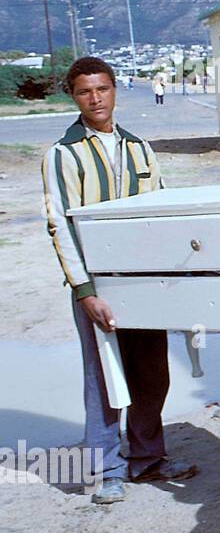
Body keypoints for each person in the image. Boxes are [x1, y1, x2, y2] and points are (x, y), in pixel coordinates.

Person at [41, 56, 197, 504]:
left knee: (152, 373)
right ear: (74, 96)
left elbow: (160, 213)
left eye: (103, 89)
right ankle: (105, 469)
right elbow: (59, 225)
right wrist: (85, 291)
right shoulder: (63, 154)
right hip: (97, 286)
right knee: (104, 377)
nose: (96, 99)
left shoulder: (139, 148)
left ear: (114, 91)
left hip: (143, 284)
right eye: (85, 91)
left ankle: (147, 457)